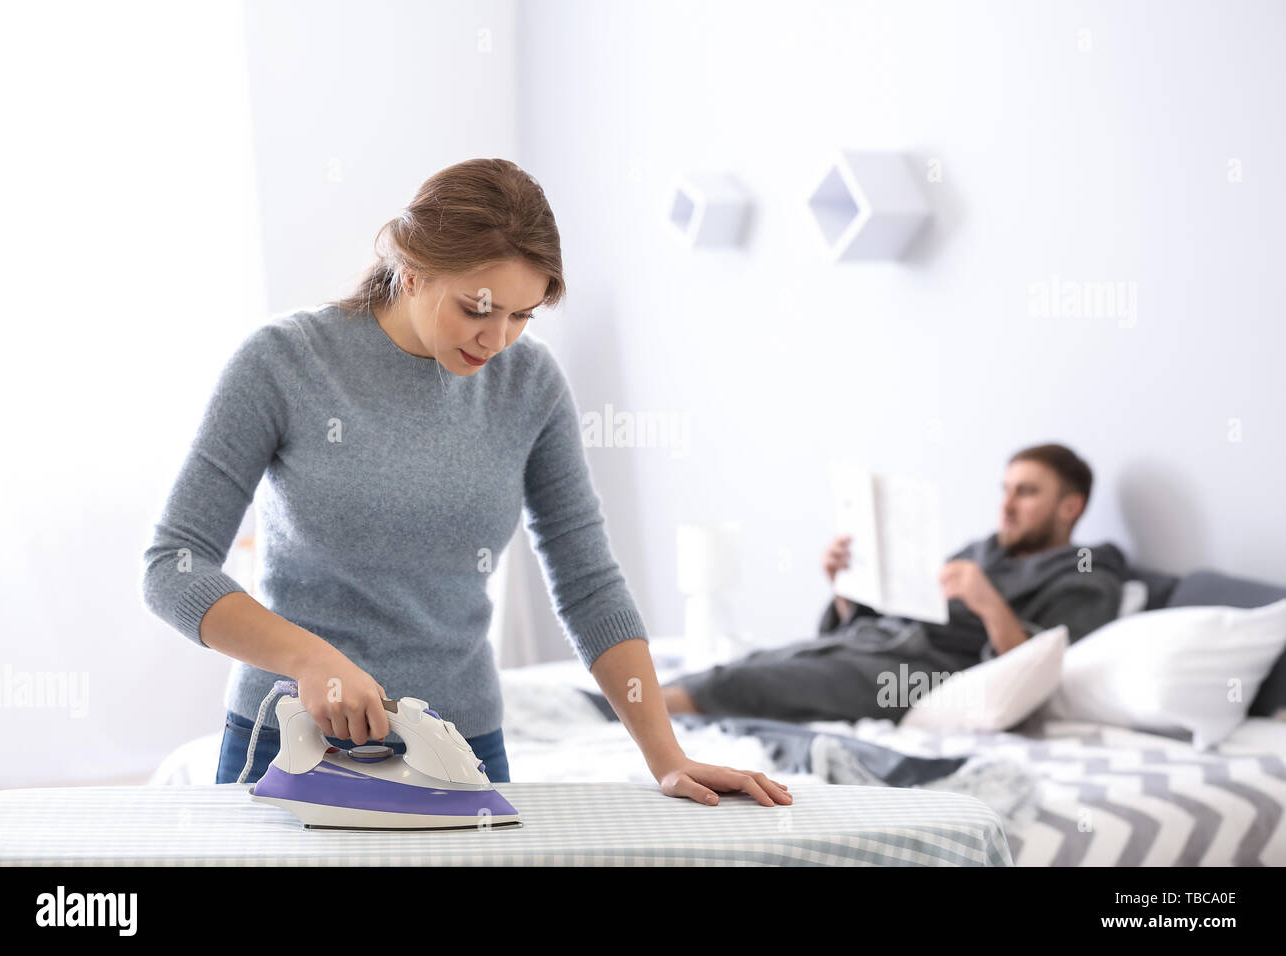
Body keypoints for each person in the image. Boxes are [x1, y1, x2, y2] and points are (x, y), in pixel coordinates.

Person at [141, 158, 789, 808]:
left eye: (522, 316)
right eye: (478, 309)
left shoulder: (529, 386)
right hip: (289, 740)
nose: (498, 339)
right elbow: (173, 565)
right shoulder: (284, 363)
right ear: (411, 268)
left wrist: (667, 758)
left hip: (464, 745)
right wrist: (310, 659)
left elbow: (589, 584)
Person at [659, 444, 1126, 724]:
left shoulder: (1089, 576)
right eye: (1004, 489)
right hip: (877, 640)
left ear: (1070, 507)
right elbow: (903, 608)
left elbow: (1044, 671)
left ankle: (636, 715)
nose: (1006, 506)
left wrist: (988, 605)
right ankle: (629, 707)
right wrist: (846, 591)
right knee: (746, 663)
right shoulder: (980, 551)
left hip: (927, 671)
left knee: (758, 681)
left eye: (1026, 492)